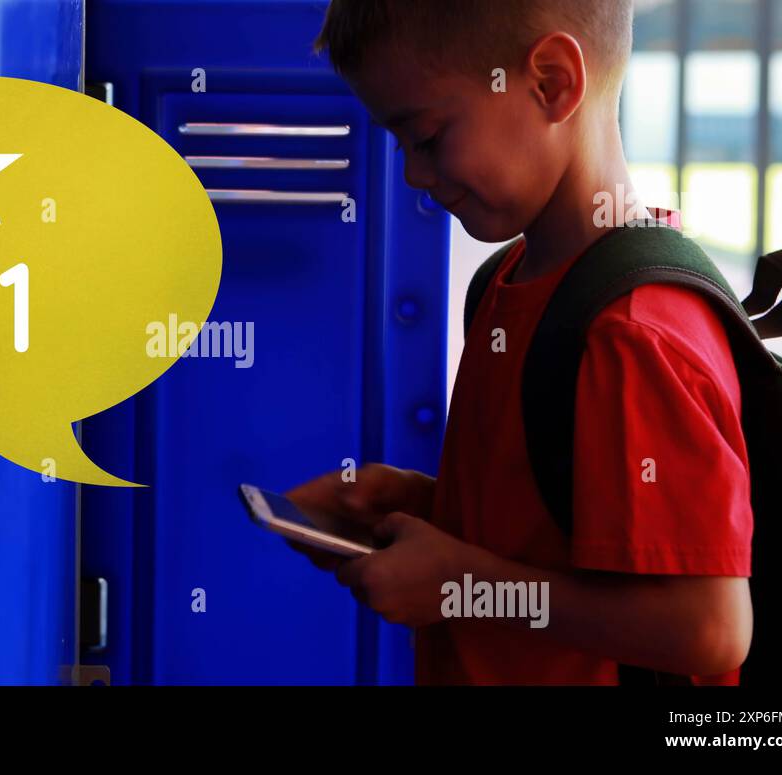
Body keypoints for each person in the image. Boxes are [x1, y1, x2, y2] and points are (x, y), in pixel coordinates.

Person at [288, 0, 753, 685]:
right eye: (401, 144)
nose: (414, 174)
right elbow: (567, 527)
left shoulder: (634, 333)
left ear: (552, 83)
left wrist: (463, 585)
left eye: (429, 135)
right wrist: (425, 504)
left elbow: (707, 628)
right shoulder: (508, 280)